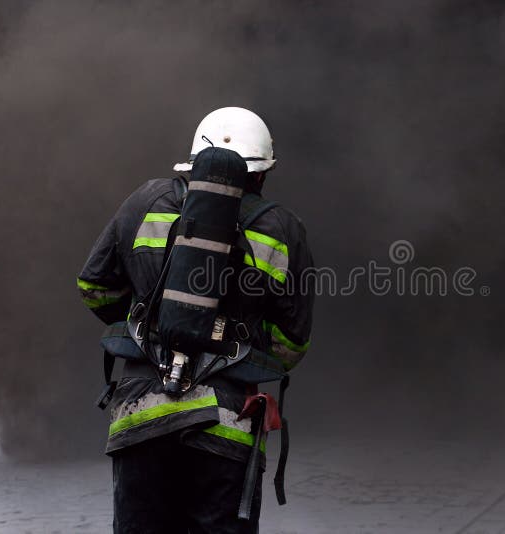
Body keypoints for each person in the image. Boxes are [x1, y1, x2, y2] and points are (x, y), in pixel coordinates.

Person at [77, 107, 314, 533]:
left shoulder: (143, 201)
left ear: (190, 162)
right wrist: (240, 338)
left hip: (140, 416)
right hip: (227, 426)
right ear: (260, 174)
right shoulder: (282, 228)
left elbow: (94, 288)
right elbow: (290, 345)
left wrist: (147, 322)